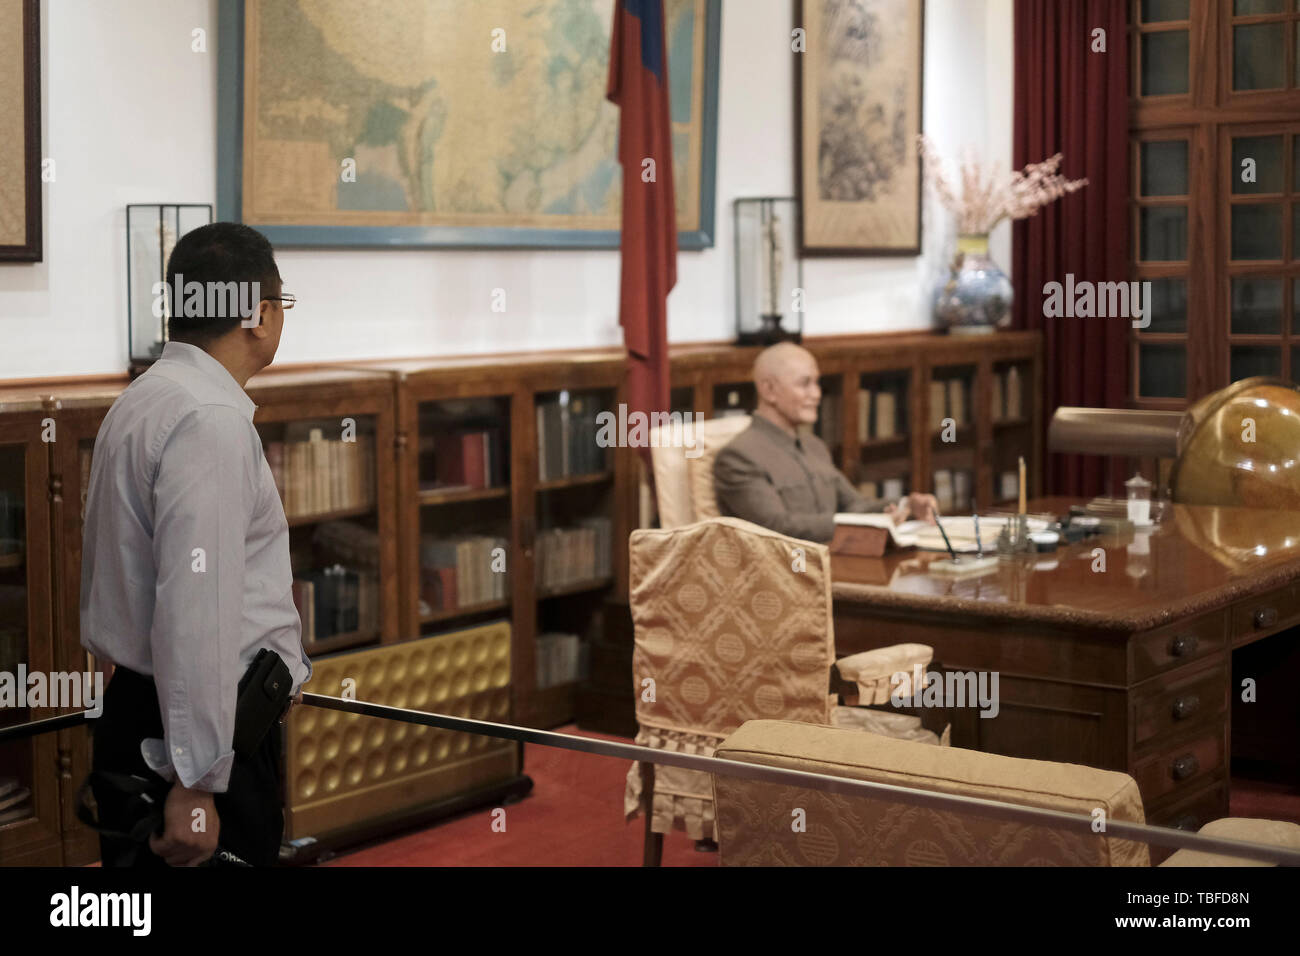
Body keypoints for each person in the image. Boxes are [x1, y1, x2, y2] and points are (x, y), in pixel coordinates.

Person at [80, 222, 310, 867]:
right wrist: (198, 781)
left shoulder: (143, 399)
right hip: (199, 736)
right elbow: (196, 611)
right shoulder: (209, 420)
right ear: (260, 315)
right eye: (280, 305)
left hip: (144, 711)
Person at [713, 342, 938, 543]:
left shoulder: (814, 446)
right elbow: (776, 528)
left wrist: (906, 505)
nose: (817, 394)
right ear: (769, 390)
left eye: (817, 383)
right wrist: (860, 524)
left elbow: (854, 505)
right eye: (805, 384)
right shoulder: (738, 457)